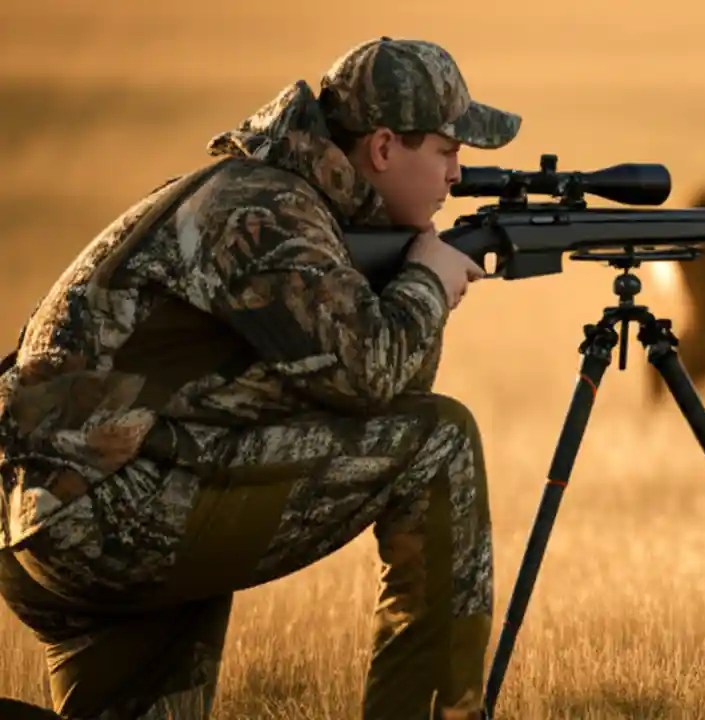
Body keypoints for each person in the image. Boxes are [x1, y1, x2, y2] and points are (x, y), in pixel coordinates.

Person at [0, 36, 520, 720]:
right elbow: (371, 380)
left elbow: (374, 389)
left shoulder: (266, 194)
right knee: (439, 442)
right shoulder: (269, 213)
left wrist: (410, 279)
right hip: (108, 511)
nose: (457, 175)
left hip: (59, 512)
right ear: (386, 148)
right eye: (448, 152)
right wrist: (426, 281)